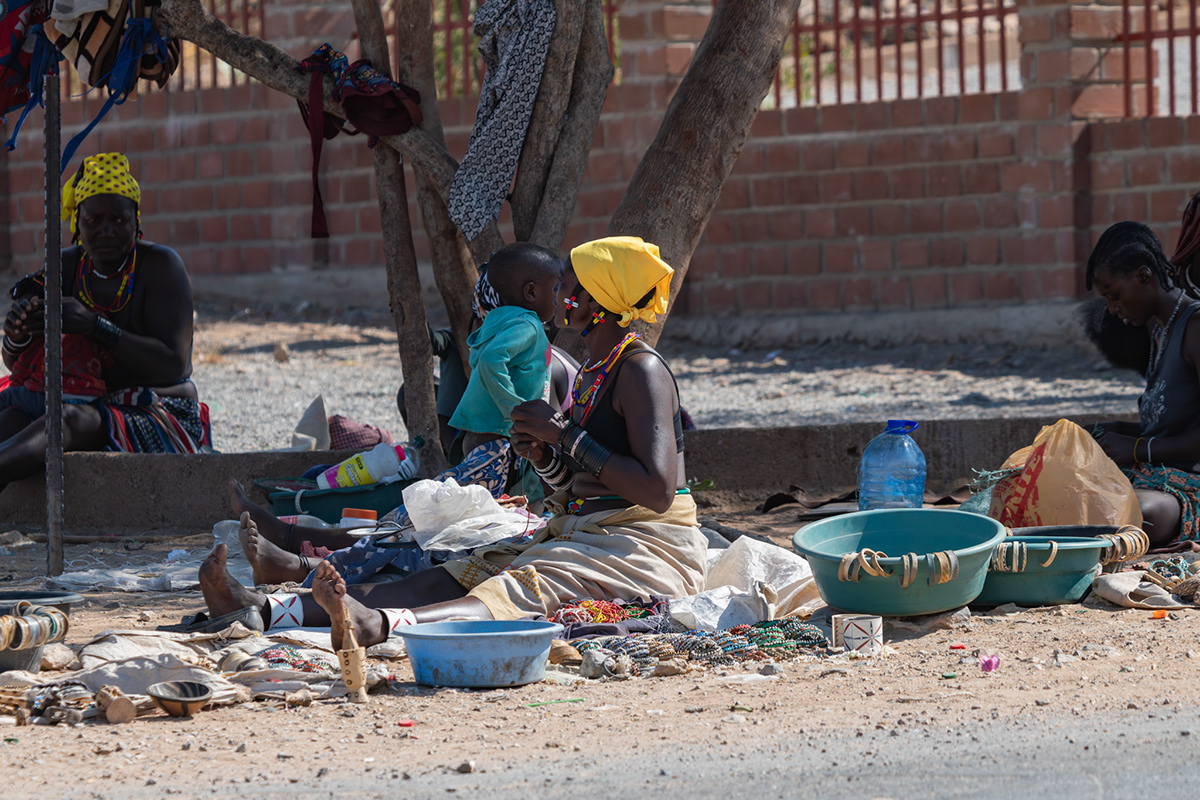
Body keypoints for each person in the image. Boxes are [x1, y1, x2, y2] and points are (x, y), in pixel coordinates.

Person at [197, 236, 706, 651]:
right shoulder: (595, 371)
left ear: (598, 301)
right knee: (454, 573)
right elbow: (579, 481)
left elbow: (658, 492)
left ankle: (378, 625)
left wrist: (563, 434)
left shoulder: (640, 370)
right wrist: (544, 457)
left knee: (514, 587)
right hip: (587, 531)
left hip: (646, 547)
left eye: (571, 286)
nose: (562, 294)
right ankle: (262, 608)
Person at [226, 241, 563, 587]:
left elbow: (489, 361)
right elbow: (494, 363)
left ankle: (296, 551)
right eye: (555, 289)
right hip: (496, 452)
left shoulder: (499, 322)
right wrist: (516, 412)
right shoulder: (529, 326)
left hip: (488, 451)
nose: (561, 298)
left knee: (419, 526)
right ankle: (299, 559)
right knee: (409, 523)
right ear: (530, 292)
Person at [0, 153, 206, 488]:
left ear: (135, 221)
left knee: (62, 420)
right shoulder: (64, 267)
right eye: (93, 220)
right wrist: (18, 334)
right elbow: (19, 365)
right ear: (77, 223)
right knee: (11, 418)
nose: (106, 231)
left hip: (152, 409)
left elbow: (173, 365)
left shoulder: (161, 267)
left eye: (119, 220)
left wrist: (96, 327)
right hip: (74, 401)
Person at [1087, 221, 1200, 545]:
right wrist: (1112, 430)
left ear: (1144, 275)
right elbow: (1170, 426)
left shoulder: (1196, 327)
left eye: (1115, 296)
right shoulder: (1159, 330)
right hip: (1153, 474)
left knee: (1127, 514)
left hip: (1189, 487)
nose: (1113, 309)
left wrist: (1137, 449)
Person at [0, 271, 112, 421]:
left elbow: (18, 374)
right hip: (90, 397)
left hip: (47, 396)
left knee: (6, 397)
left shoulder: (38, 346)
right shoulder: (87, 330)